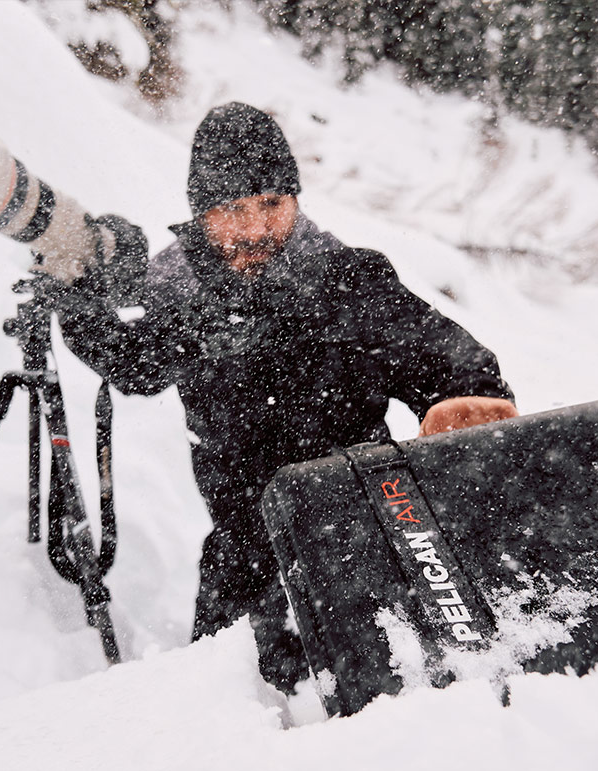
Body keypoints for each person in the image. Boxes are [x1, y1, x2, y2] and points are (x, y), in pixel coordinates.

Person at [43, 102, 518, 692]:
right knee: (222, 705)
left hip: (365, 528)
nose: (256, 229)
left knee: (384, 703)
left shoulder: (348, 280)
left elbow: (454, 367)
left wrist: (463, 409)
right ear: (203, 215)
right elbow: (135, 364)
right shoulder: (183, 291)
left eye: (271, 204)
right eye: (233, 210)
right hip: (243, 547)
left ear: (295, 201)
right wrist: (75, 299)